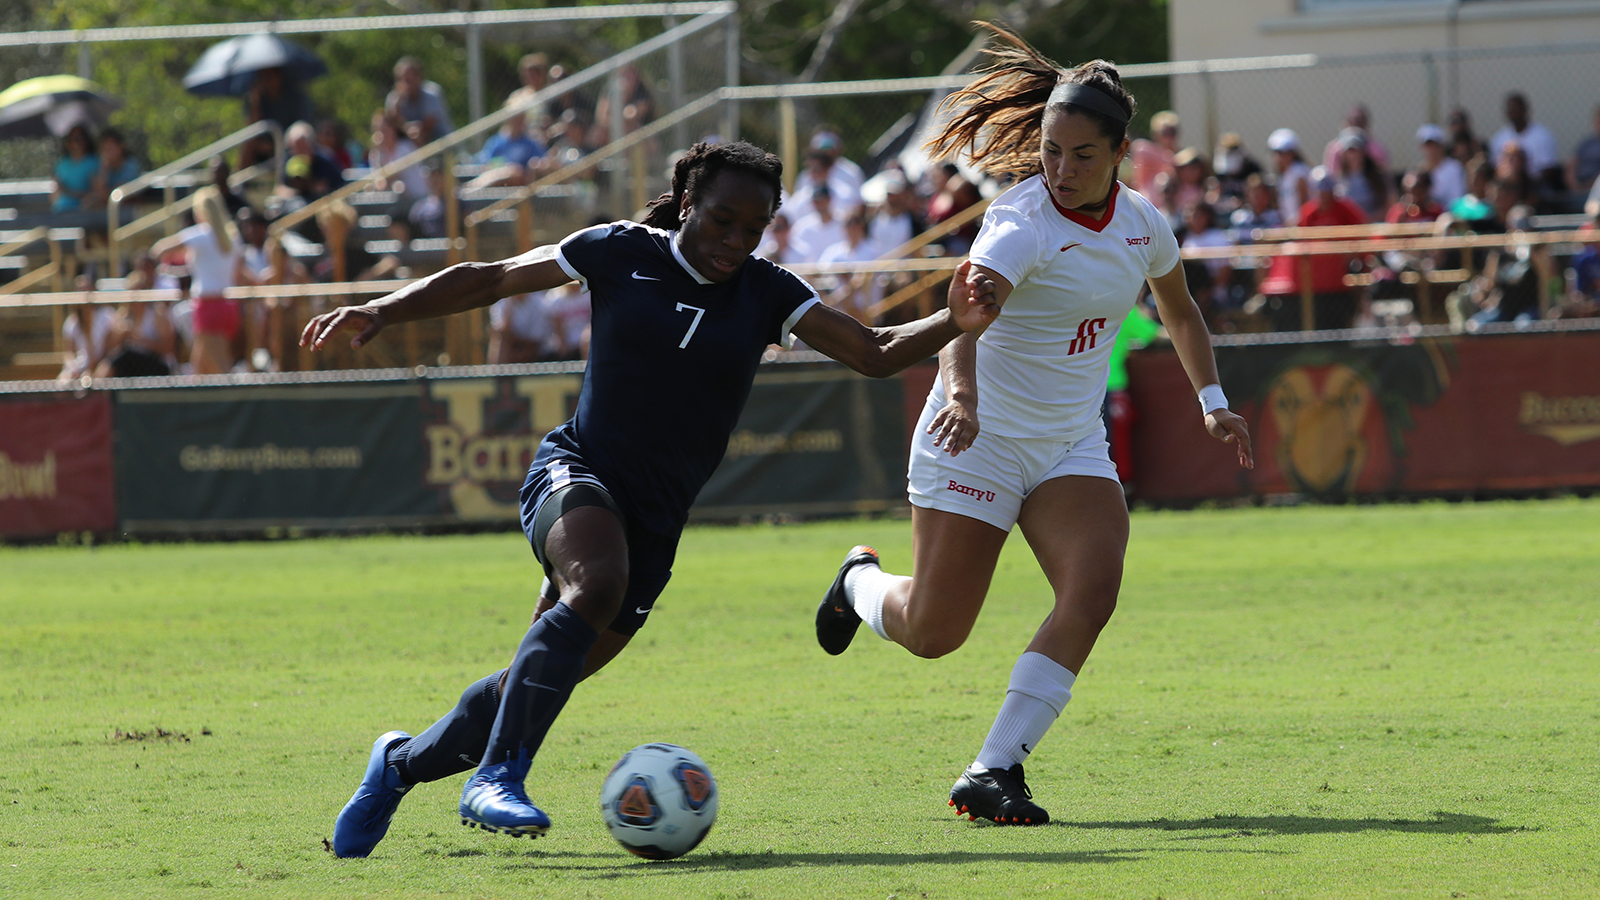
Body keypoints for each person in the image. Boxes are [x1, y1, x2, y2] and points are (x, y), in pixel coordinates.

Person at [305, 139, 999, 858]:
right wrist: (386, 308)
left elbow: (875, 351)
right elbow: (491, 278)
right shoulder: (616, 250)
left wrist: (955, 320)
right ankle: (497, 777)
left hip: (657, 521)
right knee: (595, 583)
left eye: (753, 228)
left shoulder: (768, 292)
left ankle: (398, 766)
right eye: (722, 220)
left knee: (537, 680)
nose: (735, 241)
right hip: (577, 472)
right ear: (688, 203)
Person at [811, 23, 1252, 828]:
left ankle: (993, 768)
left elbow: (1181, 313)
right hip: (977, 440)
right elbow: (957, 322)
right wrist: (961, 394)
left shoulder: (1142, 224)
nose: (1061, 168)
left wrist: (1213, 403)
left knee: (1094, 587)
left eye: (1083, 154)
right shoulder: (1021, 223)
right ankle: (859, 584)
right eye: (1051, 149)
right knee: (934, 632)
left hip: (1067, 444)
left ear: (1121, 153)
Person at [151, 186, 242, 375]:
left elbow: (159, 250)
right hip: (226, 305)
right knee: (200, 365)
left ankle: (240, 402)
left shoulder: (200, 234)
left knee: (221, 368)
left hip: (207, 306)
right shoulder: (232, 237)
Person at [1488, 92, 1563, 197]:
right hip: (1507, 189)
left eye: (1517, 110)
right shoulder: (1499, 138)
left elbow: (1549, 170)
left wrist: (1526, 185)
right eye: (1511, 110)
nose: (1514, 113)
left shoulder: (1543, 136)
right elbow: (1495, 170)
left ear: (1525, 110)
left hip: (1536, 189)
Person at [386, 57, 454, 146]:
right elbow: (390, 123)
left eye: (408, 79)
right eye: (401, 79)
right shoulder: (395, 98)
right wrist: (397, 105)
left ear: (418, 77)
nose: (405, 83)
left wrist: (410, 129)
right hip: (408, 144)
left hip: (439, 141)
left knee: (416, 134)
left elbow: (428, 125)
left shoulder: (431, 92)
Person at [1129, 109, 1179, 199]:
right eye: (1165, 132)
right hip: (1149, 198)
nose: (1169, 137)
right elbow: (1138, 148)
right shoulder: (1147, 151)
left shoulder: (1179, 154)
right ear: (1156, 134)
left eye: (1172, 132)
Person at [88, 128, 141, 210]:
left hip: (128, 212)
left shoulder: (131, 167)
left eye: (110, 148)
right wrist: (104, 169)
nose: (107, 153)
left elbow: (113, 196)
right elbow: (96, 193)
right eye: (104, 149)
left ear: (121, 146)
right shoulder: (100, 166)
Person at [51, 124, 99, 214]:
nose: (77, 143)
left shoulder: (94, 162)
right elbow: (56, 190)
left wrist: (80, 196)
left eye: (80, 139)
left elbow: (97, 189)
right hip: (62, 210)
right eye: (74, 139)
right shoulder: (62, 163)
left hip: (86, 209)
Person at [1267, 127, 1310, 225]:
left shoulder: (1299, 172)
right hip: (1290, 224)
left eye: (1285, 152)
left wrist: (1299, 222)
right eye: (1278, 152)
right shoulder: (1283, 174)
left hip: (1300, 224)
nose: (1281, 156)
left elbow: (1304, 203)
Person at [1416, 123, 1465, 209]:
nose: (1431, 149)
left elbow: (1457, 199)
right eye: (1427, 145)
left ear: (1442, 145)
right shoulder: (1419, 170)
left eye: (1434, 144)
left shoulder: (1454, 168)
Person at [1570, 104, 1600, 197]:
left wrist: (1589, 187)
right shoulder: (1587, 143)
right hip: (1579, 187)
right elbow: (1571, 164)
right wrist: (1574, 185)